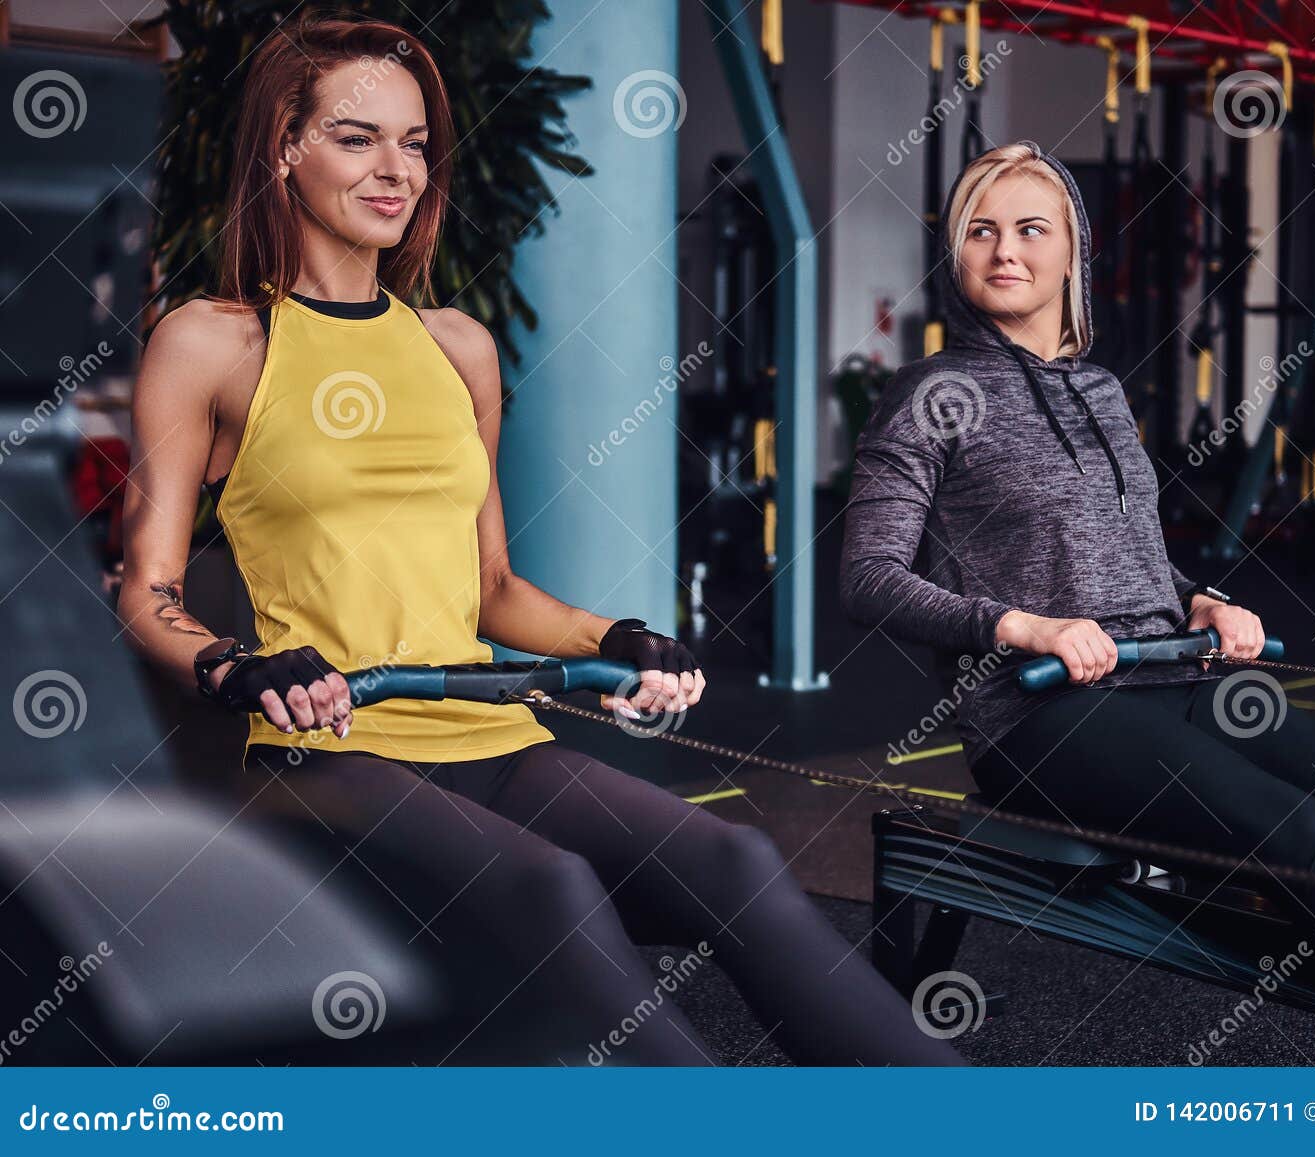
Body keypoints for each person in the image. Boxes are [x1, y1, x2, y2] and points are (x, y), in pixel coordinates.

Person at [118, 13, 960, 1067]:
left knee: (735, 857)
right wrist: (237, 662)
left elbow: (494, 587)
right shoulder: (213, 341)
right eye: (356, 136)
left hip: (484, 733)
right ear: (285, 149)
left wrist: (623, 635)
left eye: (416, 142)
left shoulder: (454, 346)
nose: (396, 170)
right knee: (551, 887)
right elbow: (145, 590)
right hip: (327, 751)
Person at [840, 140, 1315, 1065]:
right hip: (1041, 716)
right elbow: (869, 577)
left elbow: (1130, 562)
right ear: (957, 253)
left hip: (1170, 675)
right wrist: (1018, 625)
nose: (1005, 249)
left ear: (1072, 250)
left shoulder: (1100, 390)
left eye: (1030, 228)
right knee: (1292, 829)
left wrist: (1201, 601)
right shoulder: (930, 395)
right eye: (981, 230)